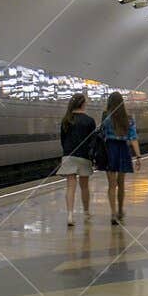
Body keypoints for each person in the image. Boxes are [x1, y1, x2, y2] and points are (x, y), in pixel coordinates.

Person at [57, 92, 100, 226]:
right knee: (84, 187)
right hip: (84, 156)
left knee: (70, 187)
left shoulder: (66, 119)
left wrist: (67, 153)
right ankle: (86, 212)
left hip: (69, 155)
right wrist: (93, 157)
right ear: (83, 104)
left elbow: (62, 140)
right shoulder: (89, 120)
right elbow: (92, 141)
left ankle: (70, 215)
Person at [101, 91, 142, 226]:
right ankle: (120, 210)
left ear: (109, 102)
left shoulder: (105, 117)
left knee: (111, 185)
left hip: (109, 149)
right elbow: (133, 138)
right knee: (121, 184)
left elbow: (102, 134)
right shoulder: (128, 118)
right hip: (123, 149)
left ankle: (113, 213)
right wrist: (138, 156)